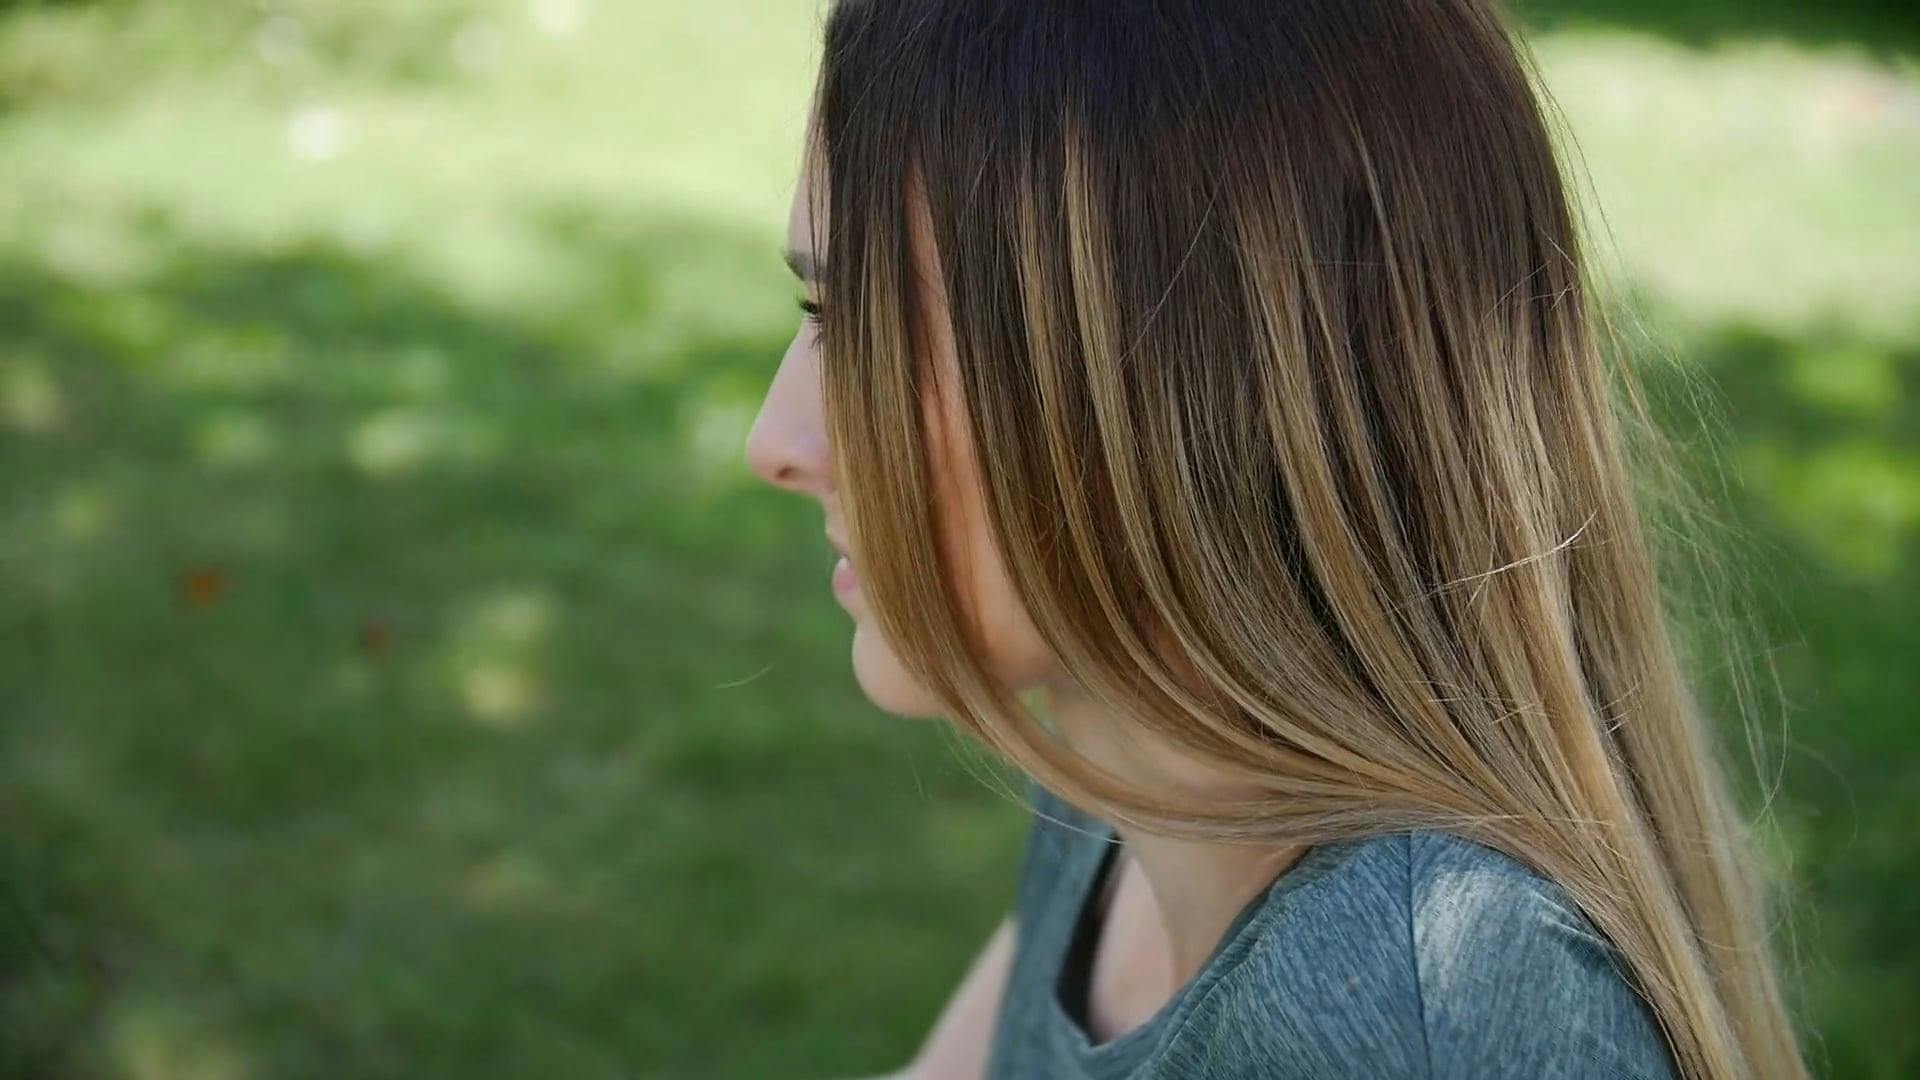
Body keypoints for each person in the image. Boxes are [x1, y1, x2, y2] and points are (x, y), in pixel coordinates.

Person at [744, 1, 1809, 1077]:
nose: (774, 443)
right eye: (817, 307)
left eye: (861, 325)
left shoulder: (1419, 1015)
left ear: (1179, 393)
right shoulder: (1113, 783)